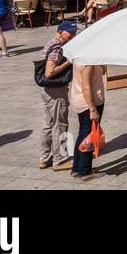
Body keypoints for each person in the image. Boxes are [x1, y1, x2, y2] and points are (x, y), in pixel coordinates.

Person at [38, 20, 76, 171]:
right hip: (56, 90)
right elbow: (49, 72)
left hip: (47, 91)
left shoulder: (52, 43)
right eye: (69, 32)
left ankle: (45, 158)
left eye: (74, 32)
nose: (73, 35)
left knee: (48, 125)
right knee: (60, 124)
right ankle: (60, 159)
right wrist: (68, 62)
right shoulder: (58, 47)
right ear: (60, 32)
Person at [68, 57, 106, 180]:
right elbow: (86, 87)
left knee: (83, 133)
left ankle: (77, 168)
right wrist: (92, 109)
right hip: (88, 102)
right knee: (89, 136)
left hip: (81, 100)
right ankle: (85, 171)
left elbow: (103, 71)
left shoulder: (81, 58)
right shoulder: (88, 62)